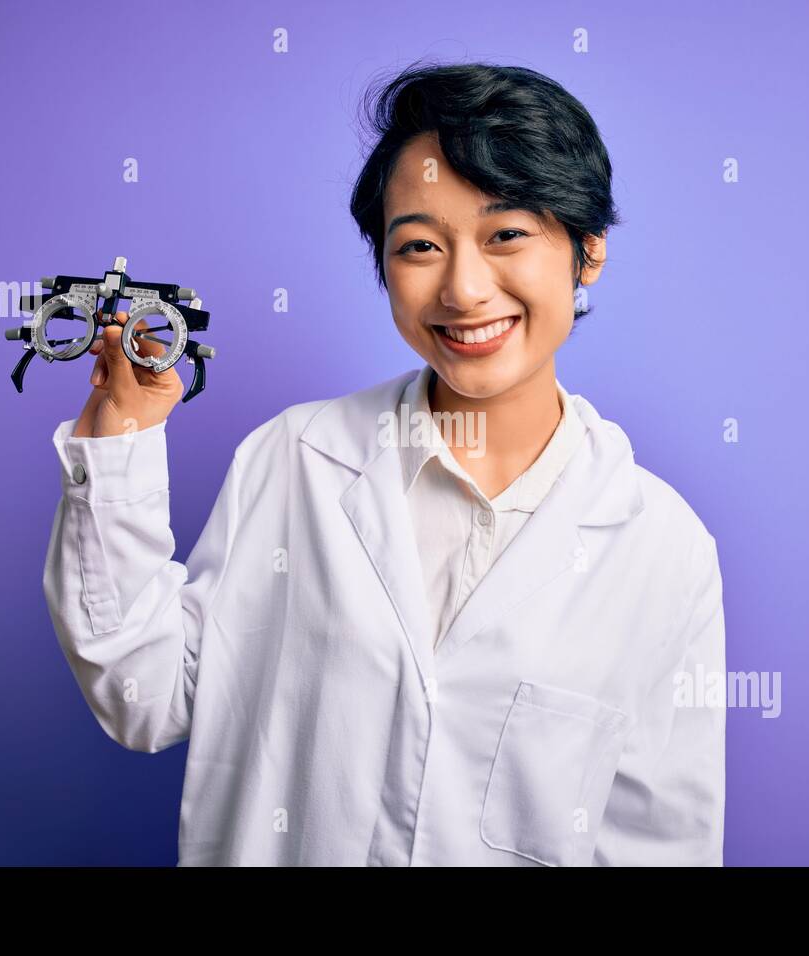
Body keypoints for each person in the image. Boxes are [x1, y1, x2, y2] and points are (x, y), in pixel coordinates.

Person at [43, 61, 725, 866]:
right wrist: (116, 437)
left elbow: (658, 843)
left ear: (588, 250)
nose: (465, 289)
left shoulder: (664, 549)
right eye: (421, 246)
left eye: (507, 234)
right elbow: (143, 696)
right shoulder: (296, 462)